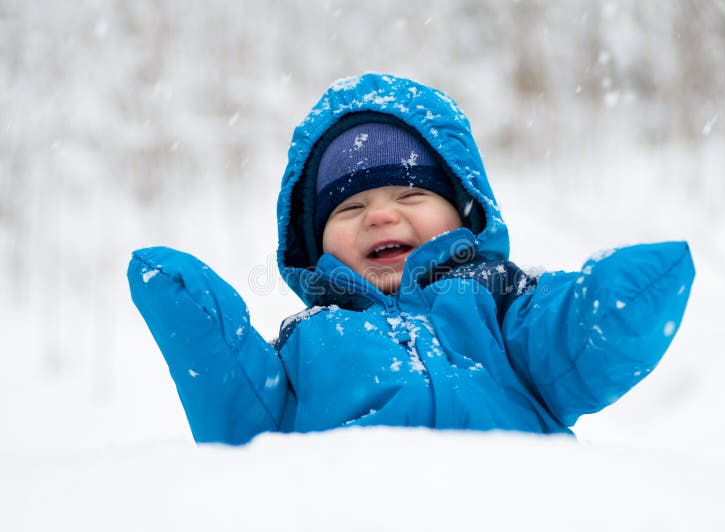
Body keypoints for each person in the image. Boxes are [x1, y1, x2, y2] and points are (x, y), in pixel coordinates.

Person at [128, 73, 695, 445]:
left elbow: (571, 346)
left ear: (461, 215)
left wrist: (613, 306)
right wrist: (204, 335)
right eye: (349, 207)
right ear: (314, 245)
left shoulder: (501, 309)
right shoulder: (307, 345)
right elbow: (245, 416)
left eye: (410, 196)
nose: (380, 216)